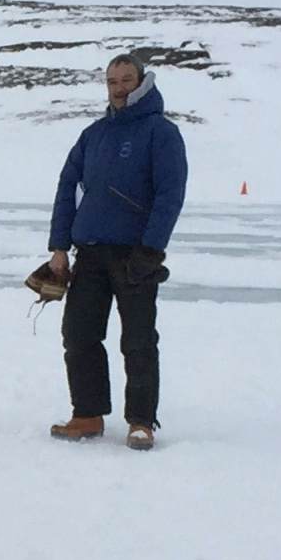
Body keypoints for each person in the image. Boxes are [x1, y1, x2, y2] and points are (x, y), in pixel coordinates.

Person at [44, 51, 189, 449]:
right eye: (112, 81)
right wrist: (59, 246)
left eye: (126, 80)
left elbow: (169, 195)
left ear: (143, 82)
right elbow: (66, 189)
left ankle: (141, 421)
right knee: (79, 334)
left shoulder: (161, 133)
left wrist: (151, 249)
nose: (119, 88)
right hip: (89, 251)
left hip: (135, 257)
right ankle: (87, 414)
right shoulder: (93, 135)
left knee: (138, 340)